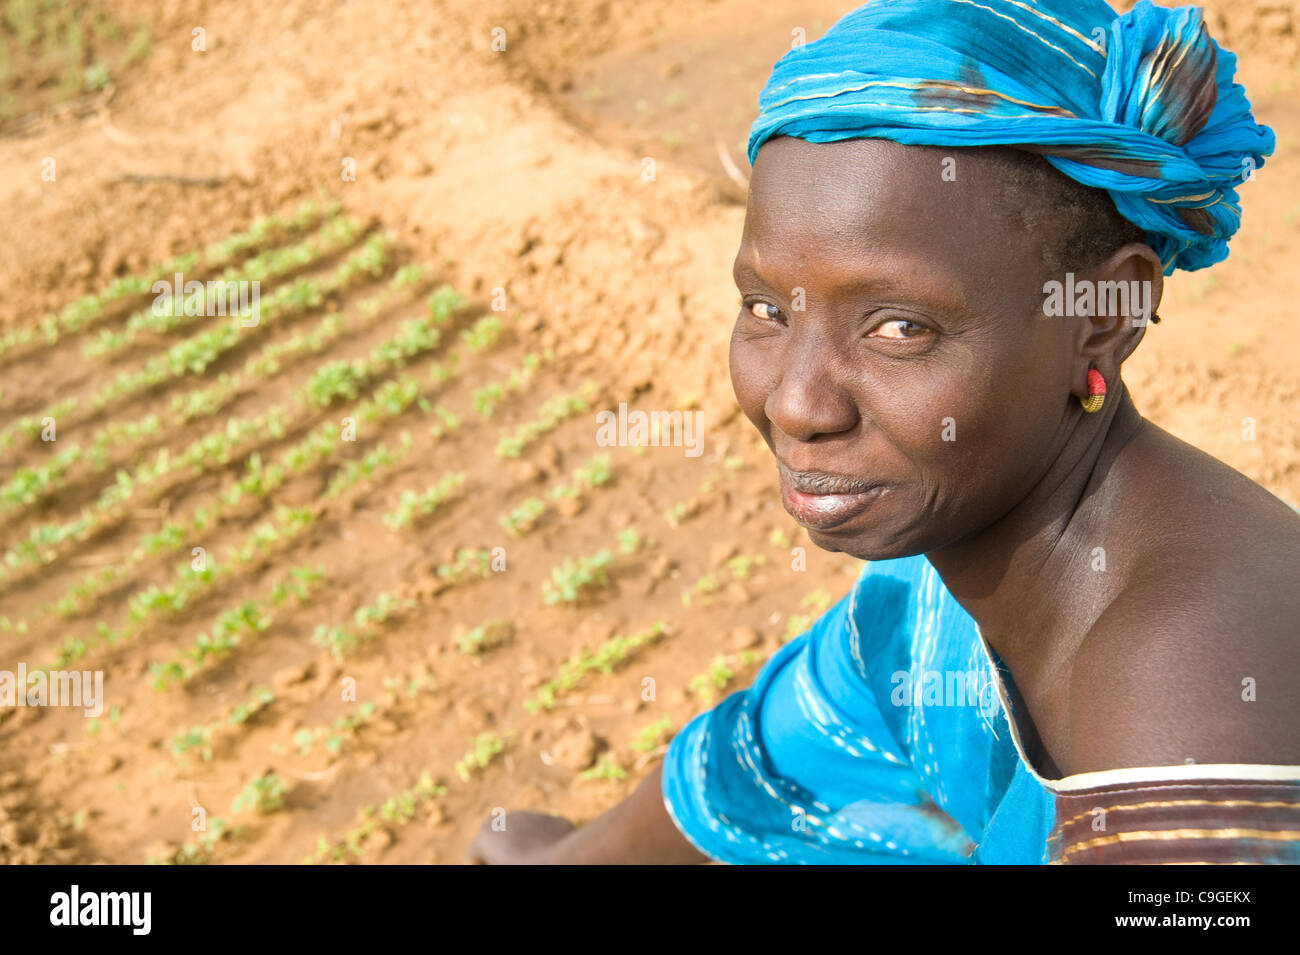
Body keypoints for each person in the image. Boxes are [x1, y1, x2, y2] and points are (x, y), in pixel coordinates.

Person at [468, 0, 1300, 864]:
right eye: (766, 308)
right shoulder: (935, 601)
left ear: (1103, 312)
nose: (796, 405)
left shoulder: (1194, 702)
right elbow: (763, 767)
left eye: (899, 328)